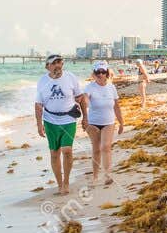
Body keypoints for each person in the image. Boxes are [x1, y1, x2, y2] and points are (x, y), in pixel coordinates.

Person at [33, 54, 88, 196]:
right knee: (54, 154)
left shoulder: (70, 77)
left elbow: (80, 98)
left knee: (67, 150)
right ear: (47, 66)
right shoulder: (42, 81)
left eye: (60, 63)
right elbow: (38, 105)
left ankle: (67, 182)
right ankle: (59, 184)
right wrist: (39, 124)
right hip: (50, 120)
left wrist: (85, 118)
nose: (58, 65)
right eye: (54, 63)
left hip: (69, 118)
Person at [83, 61, 124, 187]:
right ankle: (95, 176)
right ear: (94, 74)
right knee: (96, 150)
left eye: (103, 72)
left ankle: (107, 175)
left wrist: (121, 122)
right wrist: (84, 108)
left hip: (108, 122)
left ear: (107, 73)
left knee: (106, 147)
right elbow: (85, 99)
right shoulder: (90, 87)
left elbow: (116, 106)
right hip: (93, 123)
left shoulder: (111, 87)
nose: (101, 74)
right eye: (98, 72)